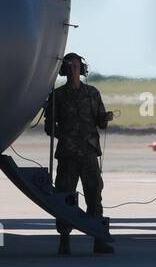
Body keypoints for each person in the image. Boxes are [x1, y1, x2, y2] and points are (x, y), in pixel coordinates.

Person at [44, 54, 113, 255]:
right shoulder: (58, 96)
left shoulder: (93, 93)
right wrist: (66, 137)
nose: (73, 70)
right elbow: (50, 128)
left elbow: (100, 123)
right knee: (65, 196)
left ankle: (98, 240)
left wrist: (105, 118)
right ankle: (64, 240)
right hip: (67, 155)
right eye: (69, 67)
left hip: (89, 154)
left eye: (76, 66)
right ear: (64, 71)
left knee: (94, 195)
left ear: (81, 69)